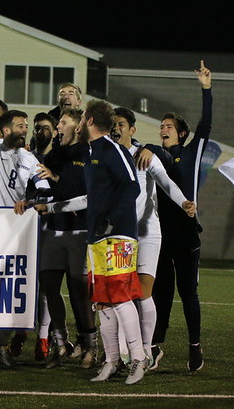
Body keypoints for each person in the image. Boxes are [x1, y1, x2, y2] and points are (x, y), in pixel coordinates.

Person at [138, 60, 212, 372]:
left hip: (185, 236)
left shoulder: (192, 151)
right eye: (161, 127)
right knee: (161, 294)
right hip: (160, 235)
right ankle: (155, 346)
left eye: (169, 127)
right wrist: (151, 146)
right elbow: (151, 149)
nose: (163, 129)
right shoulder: (155, 154)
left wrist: (206, 90)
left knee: (188, 294)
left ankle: (195, 347)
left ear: (181, 133)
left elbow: (206, 124)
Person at [111, 107, 196, 369]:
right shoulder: (105, 156)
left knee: (144, 294)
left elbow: (166, 181)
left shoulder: (143, 155)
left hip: (148, 233)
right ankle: (125, 352)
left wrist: (184, 202)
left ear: (132, 129)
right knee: (121, 297)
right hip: (119, 235)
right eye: (113, 124)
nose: (116, 128)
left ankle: (146, 351)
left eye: (121, 124)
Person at [0, 102, 47, 367]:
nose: (24, 129)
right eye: (19, 125)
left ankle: (2, 344)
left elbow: (44, 187)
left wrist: (31, 199)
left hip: (17, 229)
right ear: (5, 129)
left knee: (11, 288)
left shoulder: (28, 157)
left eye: (26, 126)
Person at [78, 99, 147, 385]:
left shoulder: (113, 149)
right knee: (102, 302)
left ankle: (139, 359)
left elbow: (132, 186)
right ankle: (111, 362)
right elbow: (92, 198)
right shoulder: (91, 152)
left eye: (83, 118)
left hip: (118, 235)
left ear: (91, 121)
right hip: (96, 238)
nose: (80, 123)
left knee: (119, 298)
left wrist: (111, 220)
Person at [23, 108, 95, 369]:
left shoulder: (88, 154)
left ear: (77, 128)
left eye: (63, 123)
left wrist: (54, 178)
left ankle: (90, 345)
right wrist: (30, 199)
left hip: (79, 231)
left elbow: (81, 193)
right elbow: (45, 188)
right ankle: (60, 343)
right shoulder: (55, 154)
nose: (57, 128)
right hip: (53, 229)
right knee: (49, 286)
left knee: (79, 291)